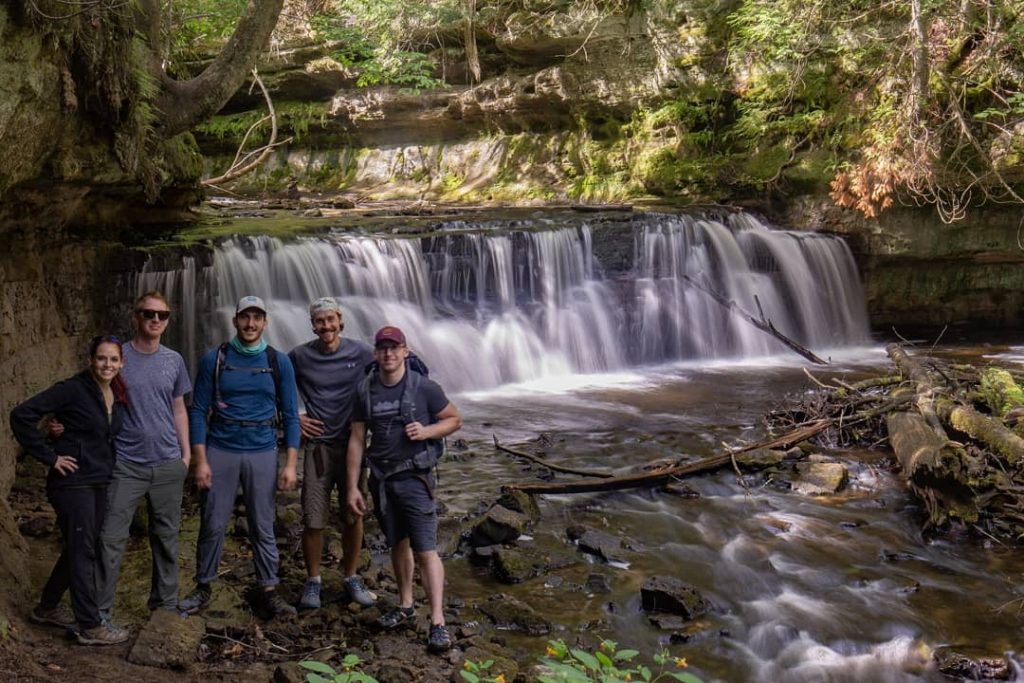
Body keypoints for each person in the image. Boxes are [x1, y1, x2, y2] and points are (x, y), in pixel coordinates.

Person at [180, 295, 300, 618]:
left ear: (265, 323)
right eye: (245, 317)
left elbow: (290, 414)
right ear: (235, 321)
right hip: (222, 447)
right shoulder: (215, 359)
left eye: (256, 318)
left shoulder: (278, 362)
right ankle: (203, 585)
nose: (250, 324)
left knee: (263, 523)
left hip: (262, 449)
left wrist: (290, 463)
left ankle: (269, 588)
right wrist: (200, 459)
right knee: (213, 522)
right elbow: (198, 411)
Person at [346, 326, 462, 653]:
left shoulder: (424, 388)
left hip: (416, 479)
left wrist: (426, 431)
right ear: (375, 354)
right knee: (397, 544)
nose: (389, 354)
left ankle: (438, 621)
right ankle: (406, 604)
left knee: (426, 549)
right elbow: (357, 440)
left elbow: (454, 419)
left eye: (394, 348)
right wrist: (354, 486)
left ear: (405, 351)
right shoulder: (364, 391)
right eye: (383, 348)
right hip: (381, 480)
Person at [9, 336, 130, 645]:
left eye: (113, 360)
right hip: (72, 483)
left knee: (80, 546)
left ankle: (46, 608)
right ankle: (90, 626)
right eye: (101, 358)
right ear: (91, 359)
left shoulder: (116, 392)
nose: (107, 365)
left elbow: (100, 433)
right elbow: (21, 415)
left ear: (121, 363)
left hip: (98, 481)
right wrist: (49, 456)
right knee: (84, 549)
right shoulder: (73, 389)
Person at [289, 297, 375, 610]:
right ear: (313, 325)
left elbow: (396, 371)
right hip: (318, 448)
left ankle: (351, 576)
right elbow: (274, 384)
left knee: (354, 516)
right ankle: (313, 581)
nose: (326, 326)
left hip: (353, 445)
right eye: (319, 321)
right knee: (313, 519)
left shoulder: (362, 353)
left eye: (330, 319)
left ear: (340, 320)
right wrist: (294, 418)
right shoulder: (299, 356)